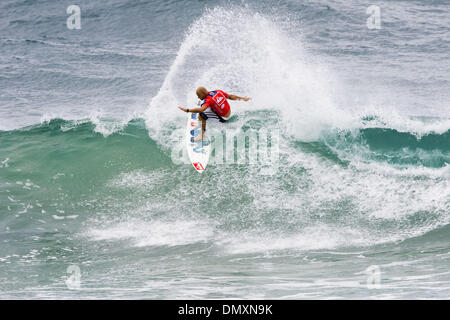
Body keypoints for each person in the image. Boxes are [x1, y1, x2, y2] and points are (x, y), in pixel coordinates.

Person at [178, 86, 251, 141]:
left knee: (201, 115)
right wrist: (243, 98)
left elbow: (201, 109)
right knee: (203, 104)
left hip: (224, 118)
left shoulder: (208, 100)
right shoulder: (217, 91)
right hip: (228, 112)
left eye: (198, 95)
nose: (198, 97)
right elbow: (230, 96)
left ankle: (202, 135)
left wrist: (187, 110)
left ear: (203, 94)